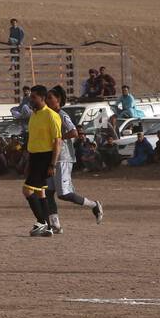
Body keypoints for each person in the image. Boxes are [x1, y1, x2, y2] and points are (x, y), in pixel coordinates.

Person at [42, 86, 105, 232]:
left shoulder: (62, 115)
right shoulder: (49, 115)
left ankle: (94, 205)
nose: (47, 100)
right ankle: (55, 223)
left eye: (50, 97)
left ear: (57, 99)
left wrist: (60, 138)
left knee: (63, 194)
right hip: (51, 157)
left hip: (63, 158)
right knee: (48, 192)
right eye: (46, 98)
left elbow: (74, 132)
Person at [22, 86, 62, 237]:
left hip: (44, 157)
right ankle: (50, 227)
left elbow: (58, 141)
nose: (31, 99)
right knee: (41, 193)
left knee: (26, 190)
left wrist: (52, 164)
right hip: (34, 157)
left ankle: (42, 222)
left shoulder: (51, 115)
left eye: (33, 97)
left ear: (42, 98)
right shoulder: (34, 115)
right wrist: (27, 159)